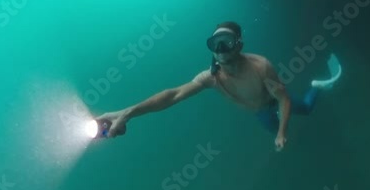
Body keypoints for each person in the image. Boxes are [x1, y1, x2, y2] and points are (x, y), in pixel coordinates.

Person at [93, 21, 341, 152]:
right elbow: (172, 95)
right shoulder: (211, 77)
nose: (221, 49)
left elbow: (284, 99)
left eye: (227, 42)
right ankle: (292, 138)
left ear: (239, 44)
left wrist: (282, 132)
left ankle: (318, 87)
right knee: (273, 129)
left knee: (305, 108)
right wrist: (128, 113)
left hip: (272, 101)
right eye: (215, 43)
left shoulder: (261, 67)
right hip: (259, 113)